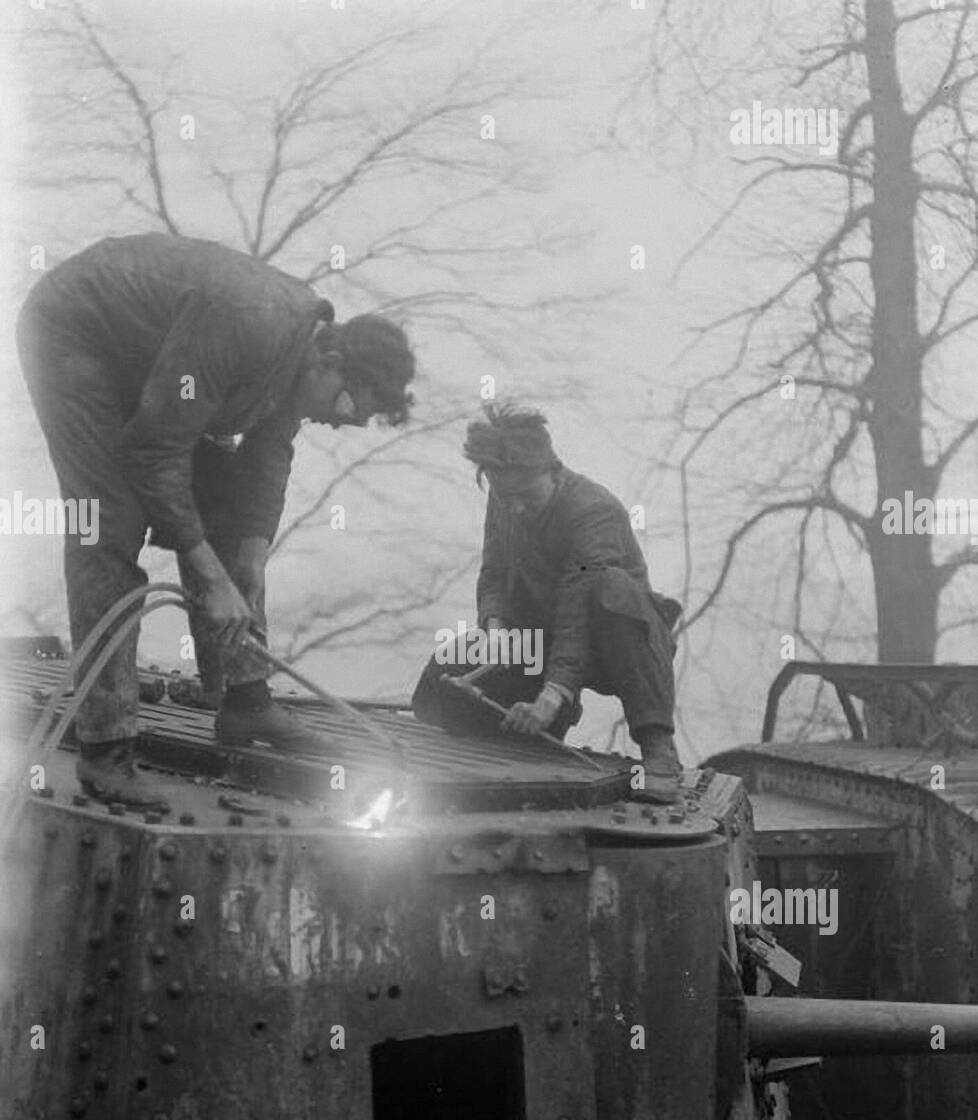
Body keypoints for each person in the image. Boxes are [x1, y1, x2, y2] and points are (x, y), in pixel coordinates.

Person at [16, 232, 415, 809]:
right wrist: (212, 577)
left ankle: (246, 701)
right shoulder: (248, 324)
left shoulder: (300, 357)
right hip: (74, 334)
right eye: (347, 406)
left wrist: (249, 559)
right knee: (108, 524)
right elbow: (154, 453)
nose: (337, 422)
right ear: (329, 359)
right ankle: (106, 753)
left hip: (152, 369)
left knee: (228, 508)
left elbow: (265, 461)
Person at [412, 402, 684, 803]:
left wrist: (553, 694)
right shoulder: (506, 498)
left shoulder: (593, 511)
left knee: (612, 590)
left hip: (612, 645)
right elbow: (493, 572)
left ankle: (659, 748)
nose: (515, 507)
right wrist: (496, 630)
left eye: (524, 496)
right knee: (439, 685)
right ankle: (534, 729)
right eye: (505, 497)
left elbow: (576, 613)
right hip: (543, 637)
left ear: (551, 470)